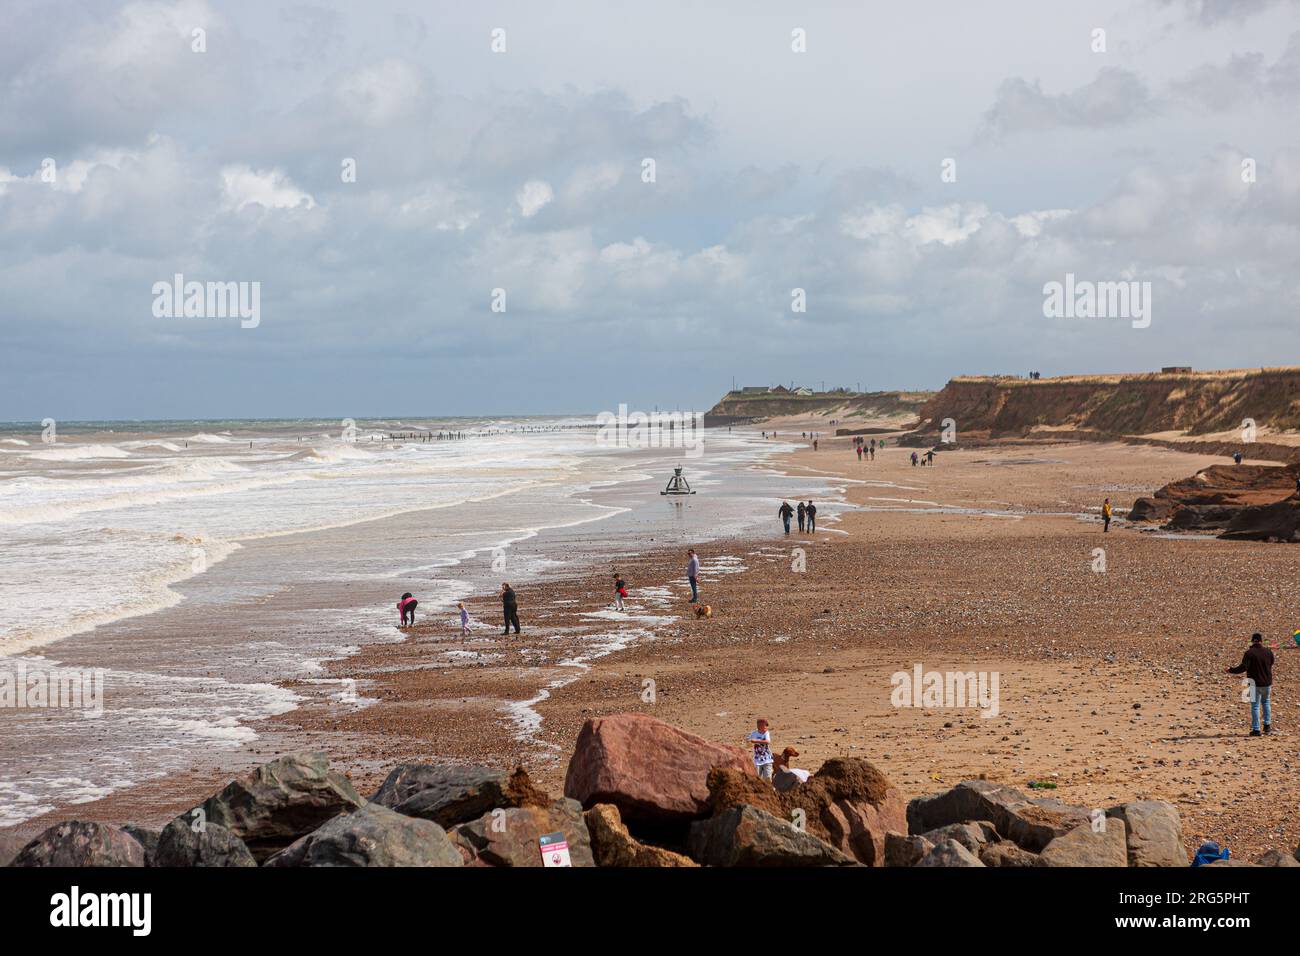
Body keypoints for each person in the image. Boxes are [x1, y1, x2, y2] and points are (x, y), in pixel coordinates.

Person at [1226, 633, 1275, 736]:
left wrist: (1230, 670)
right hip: (1267, 682)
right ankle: (1267, 726)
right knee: (1266, 703)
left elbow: (1243, 668)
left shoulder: (1249, 653)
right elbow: (1271, 663)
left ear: (1253, 641)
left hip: (1254, 683)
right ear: (1261, 641)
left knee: (1255, 706)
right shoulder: (1268, 651)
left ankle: (1256, 729)